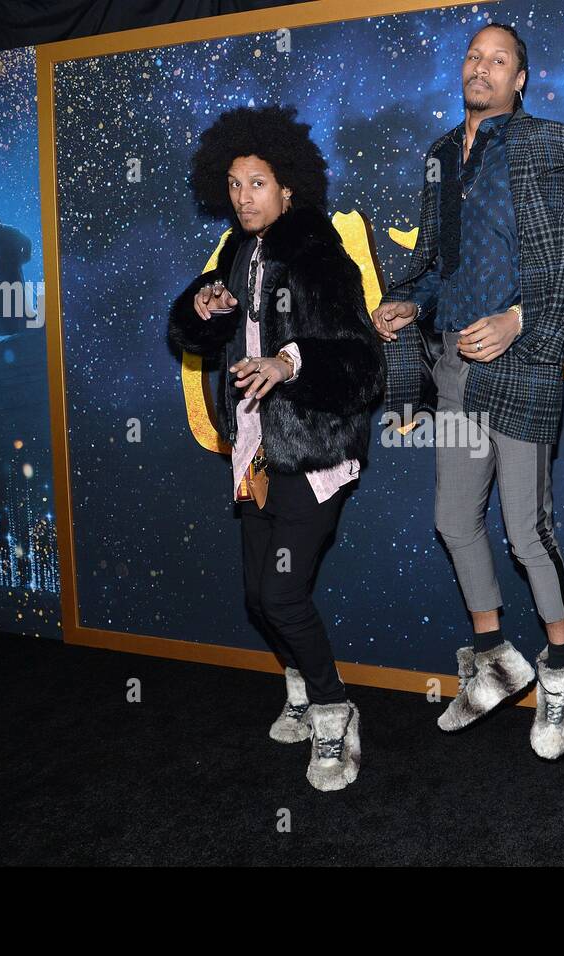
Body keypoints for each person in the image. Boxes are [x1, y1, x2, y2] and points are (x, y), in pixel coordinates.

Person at [370, 22, 564, 759]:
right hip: (453, 369)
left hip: (520, 361)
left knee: (527, 533)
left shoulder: (552, 143)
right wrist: (411, 301)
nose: (482, 67)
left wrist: (520, 318)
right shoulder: (440, 155)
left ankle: (563, 667)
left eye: (499, 60)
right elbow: (439, 261)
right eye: (474, 56)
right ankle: (496, 654)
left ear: (520, 79)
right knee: (453, 519)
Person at [167, 104, 384, 792]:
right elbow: (204, 335)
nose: (243, 197)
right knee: (258, 597)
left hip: (311, 449)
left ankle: (332, 711)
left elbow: (361, 363)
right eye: (233, 185)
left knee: (282, 593)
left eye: (256, 183)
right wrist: (200, 312)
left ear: (288, 186)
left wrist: (289, 362)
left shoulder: (318, 253)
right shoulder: (238, 251)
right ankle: (297, 686)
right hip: (256, 448)